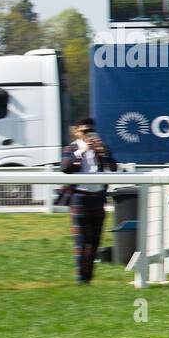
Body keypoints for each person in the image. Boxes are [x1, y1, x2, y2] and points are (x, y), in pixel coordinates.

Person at [60, 117, 117, 284]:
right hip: (79, 198)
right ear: (76, 131)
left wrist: (103, 153)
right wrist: (82, 151)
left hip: (98, 198)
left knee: (94, 242)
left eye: (90, 131)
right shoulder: (71, 148)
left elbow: (113, 168)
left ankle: (88, 278)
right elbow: (65, 167)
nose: (88, 134)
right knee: (81, 242)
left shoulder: (101, 148)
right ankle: (80, 278)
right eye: (84, 131)